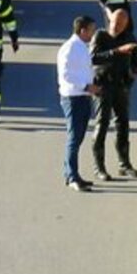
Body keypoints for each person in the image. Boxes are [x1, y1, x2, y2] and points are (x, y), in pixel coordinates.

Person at [90, 5, 137, 179]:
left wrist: (136, 70)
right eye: (115, 22)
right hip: (103, 85)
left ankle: (124, 164)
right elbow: (93, 58)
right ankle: (99, 168)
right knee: (102, 124)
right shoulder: (100, 36)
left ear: (126, 24)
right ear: (110, 20)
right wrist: (117, 51)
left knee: (122, 124)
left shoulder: (130, 38)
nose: (117, 26)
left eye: (121, 24)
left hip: (122, 85)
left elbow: (136, 60)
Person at [57, 15, 99, 191]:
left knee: (79, 136)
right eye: (91, 30)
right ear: (82, 30)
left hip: (83, 96)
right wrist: (86, 86)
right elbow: (66, 74)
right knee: (74, 137)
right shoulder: (70, 48)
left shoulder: (82, 47)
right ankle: (72, 176)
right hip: (73, 97)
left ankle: (72, 174)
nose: (93, 33)